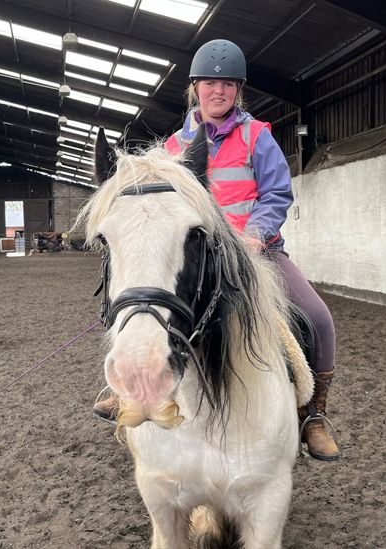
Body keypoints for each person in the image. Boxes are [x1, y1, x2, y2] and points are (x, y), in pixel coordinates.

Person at [93, 39, 341, 461]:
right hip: (197, 255)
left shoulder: (256, 137)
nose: (218, 91)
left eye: (227, 84)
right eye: (210, 82)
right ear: (195, 87)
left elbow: (277, 195)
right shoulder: (173, 147)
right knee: (138, 302)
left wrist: (257, 234)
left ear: (238, 90)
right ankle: (131, 389)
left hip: (255, 253)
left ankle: (312, 414)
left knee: (318, 318)